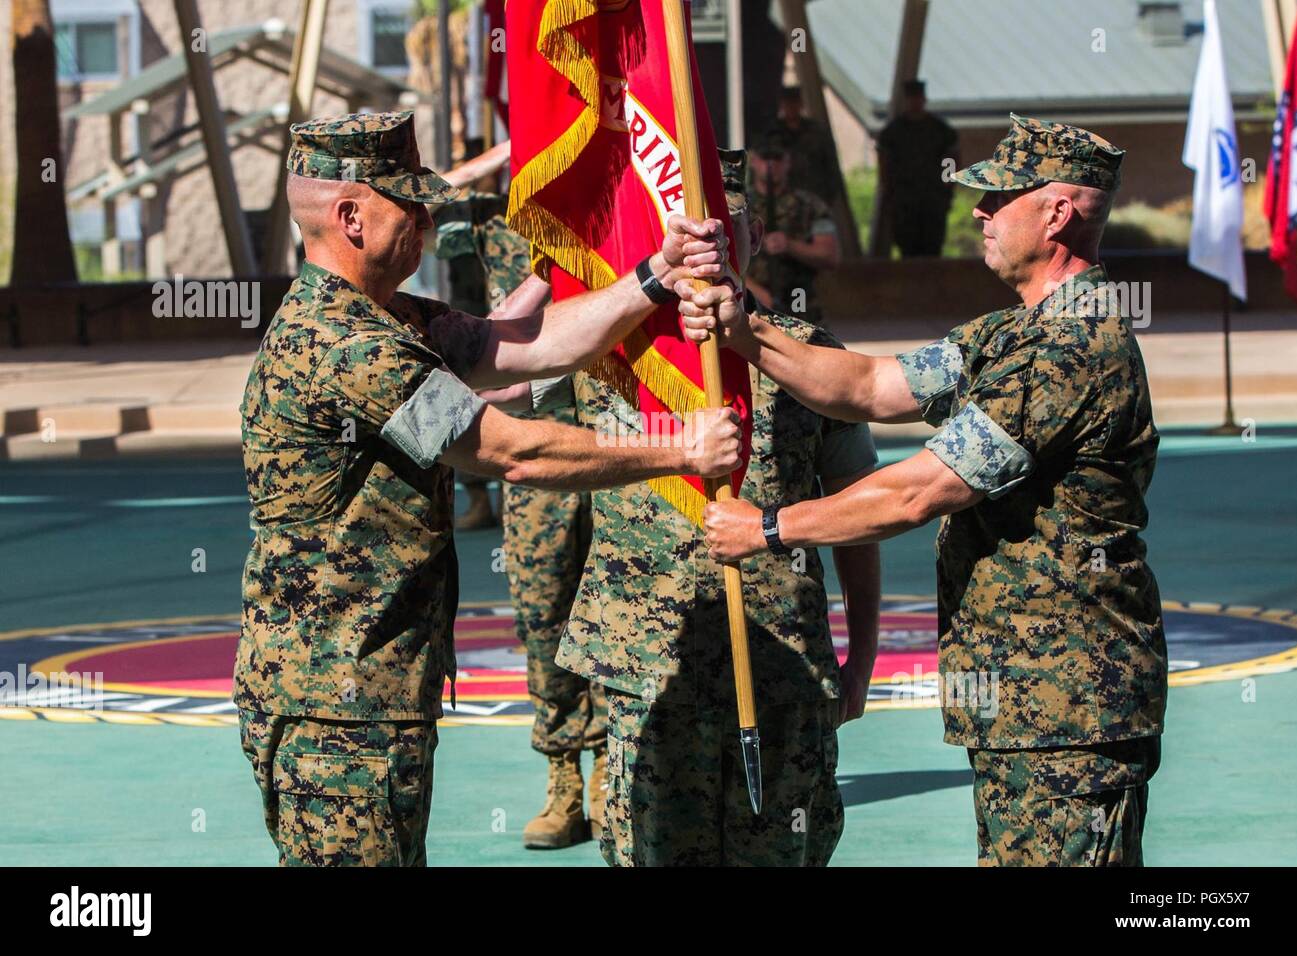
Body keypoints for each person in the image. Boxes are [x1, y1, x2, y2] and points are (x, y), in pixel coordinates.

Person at [235, 111, 740, 866]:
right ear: (351, 217)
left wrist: (653, 277)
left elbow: (525, 344)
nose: (428, 219)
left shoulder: (386, 319)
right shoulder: (345, 345)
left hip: (369, 690)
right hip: (332, 704)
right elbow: (514, 452)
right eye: (409, 203)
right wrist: (679, 447)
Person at [686, 115, 1167, 867]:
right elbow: (871, 385)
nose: (978, 211)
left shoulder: (1072, 348)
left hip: (1070, 705)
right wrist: (745, 329)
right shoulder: (1015, 333)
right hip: (1027, 698)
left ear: (1057, 212)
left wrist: (768, 529)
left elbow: (921, 491)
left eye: (999, 196)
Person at [508, 148, 881, 866]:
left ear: (754, 229)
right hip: (649, 665)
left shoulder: (803, 354)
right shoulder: (609, 351)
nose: (708, 242)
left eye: (725, 222)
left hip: (781, 667)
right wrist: (563, 275)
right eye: (689, 226)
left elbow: (856, 510)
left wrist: (859, 656)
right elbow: (492, 393)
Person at [432, 157, 608, 849]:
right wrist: (500, 155)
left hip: (627, 439)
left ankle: (617, 770)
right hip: (536, 446)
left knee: (631, 612)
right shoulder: (495, 218)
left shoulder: (628, 214)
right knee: (545, 618)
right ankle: (565, 776)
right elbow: (420, 202)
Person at [746, 135, 841, 325]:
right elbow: (722, 257)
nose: (771, 165)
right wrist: (754, 292)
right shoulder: (737, 205)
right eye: (765, 158)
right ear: (754, 161)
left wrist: (789, 245)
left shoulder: (810, 205)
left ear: (787, 162)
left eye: (777, 158)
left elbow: (830, 256)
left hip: (799, 299)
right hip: (748, 301)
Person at [876, 80, 959, 257]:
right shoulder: (894, 132)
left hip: (933, 199)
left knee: (933, 247)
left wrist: (947, 188)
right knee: (907, 248)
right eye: (911, 98)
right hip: (904, 201)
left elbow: (950, 160)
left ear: (923, 99)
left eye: (918, 98)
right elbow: (885, 164)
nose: (915, 102)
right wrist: (889, 192)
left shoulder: (940, 130)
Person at [762, 84, 843, 205]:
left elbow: (832, 167)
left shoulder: (817, 132)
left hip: (814, 197)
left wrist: (828, 198)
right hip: (782, 200)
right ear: (782, 105)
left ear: (801, 104)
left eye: (795, 103)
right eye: (787, 103)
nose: (791, 107)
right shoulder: (772, 134)